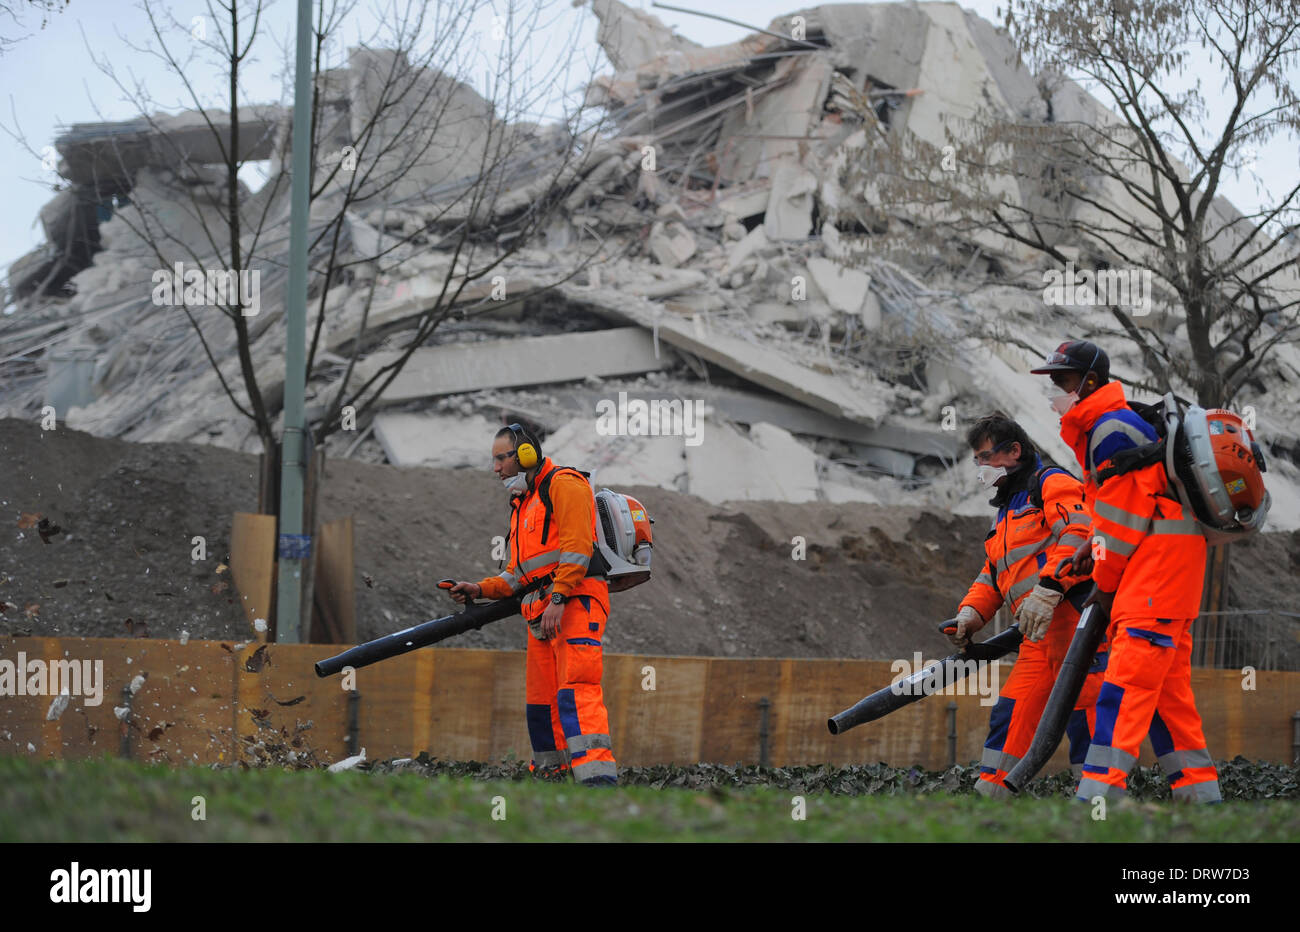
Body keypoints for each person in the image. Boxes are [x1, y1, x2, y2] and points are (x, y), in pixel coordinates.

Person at [1031, 340, 1221, 803]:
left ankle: (1097, 798)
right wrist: (1089, 556)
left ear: (1090, 382)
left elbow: (1121, 523)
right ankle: (1201, 797)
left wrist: (1103, 582)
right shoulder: (1113, 426)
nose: (1057, 390)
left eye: (1065, 380)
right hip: (1169, 580)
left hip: (1151, 583)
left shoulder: (1109, 429)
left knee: (1124, 689)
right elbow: (1125, 511)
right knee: (1168, 699)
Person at [446, 423, 618, 786]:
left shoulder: (564, 483)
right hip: (542, 611)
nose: (495, 469)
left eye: (500, 459)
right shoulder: (522, 505)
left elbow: (577, 548)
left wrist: (558, 596)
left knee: (577, 688)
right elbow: (514, 578)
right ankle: (551, 776)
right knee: (541, 702)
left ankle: (598, 783)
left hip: (574, 602)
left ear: (525, 454)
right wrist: (478, 589)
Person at [948, 413, 1102, 796]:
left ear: (1014, 451)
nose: (981, 467)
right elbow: (993, 573)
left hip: (1076, 624)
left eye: (986, 457)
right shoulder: (1005, 513)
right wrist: (971, 614)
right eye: (977, 460)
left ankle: (1100, 804)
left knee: (1088, 713)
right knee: (1010, 713)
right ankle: (990, 798)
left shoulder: (1052, 483)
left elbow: (1078, 532)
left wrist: (1049, 589)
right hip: (1037, 635)